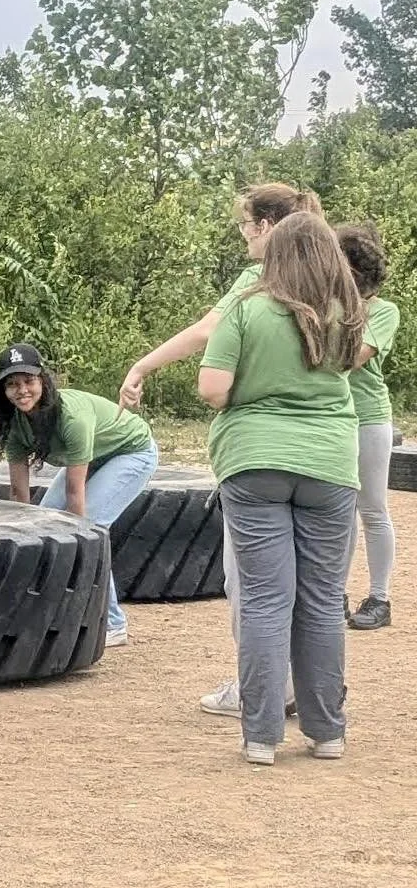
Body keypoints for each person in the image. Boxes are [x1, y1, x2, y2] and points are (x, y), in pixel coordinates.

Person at [119, 183, 321, 717]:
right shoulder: (329, 277)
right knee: (312, 584)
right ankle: (311, 692)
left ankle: (262, 689)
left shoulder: (257, 282)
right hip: (328, 453)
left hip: (258, 452)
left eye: (245, 226)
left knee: (247, 579)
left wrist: (142, 365)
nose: (244, 236)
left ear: (267, 226)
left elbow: (210, 335)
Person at [199, 211, 365, 765]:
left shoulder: (246, 309)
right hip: (329, 464)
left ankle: (261, 737)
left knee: (266, 601)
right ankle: (327, 733)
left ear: (274, 252)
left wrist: (255, 391)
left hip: (254, 462)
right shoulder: (347, 312)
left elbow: (213, 389)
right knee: (322, 602)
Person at [0, 344, 158, 647]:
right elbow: (18, 493)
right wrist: (22, 540)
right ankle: (53, 612)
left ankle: (113, 623)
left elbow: (74, 492)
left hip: (130, 452)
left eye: (28, 381)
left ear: (43, 380)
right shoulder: (17, 425)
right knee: (44, 523)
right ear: (3, 391)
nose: (22, 390)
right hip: (94, 455)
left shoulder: (71, 417)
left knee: (90, 527)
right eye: (12, 384)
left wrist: (78, 541)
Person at [339, 224, 400, 631]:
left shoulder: (384, 311)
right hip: (332, 418)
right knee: (339, 509)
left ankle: (380, 597)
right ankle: (334, 593)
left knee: (373, 508)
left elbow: (354, 356)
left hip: (368, 417)